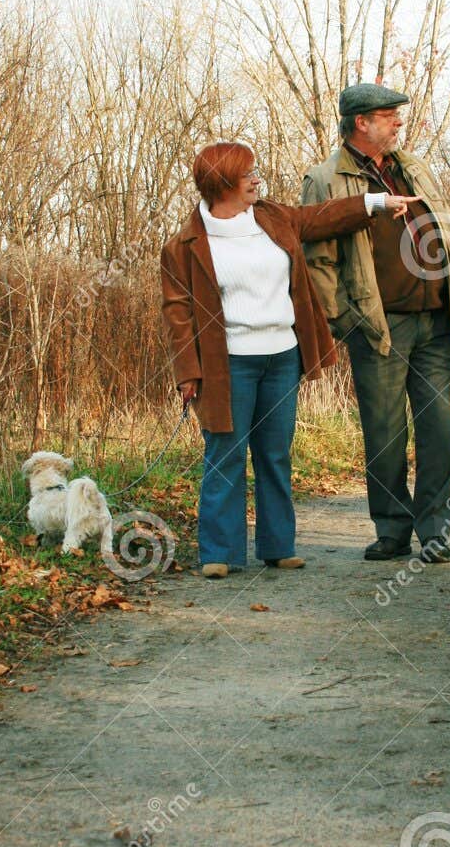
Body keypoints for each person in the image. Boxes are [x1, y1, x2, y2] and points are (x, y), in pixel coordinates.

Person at [160, 141, 418, 578]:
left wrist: (374, 202)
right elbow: (177, 314)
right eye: (248, 175)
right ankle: (219, 553)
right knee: (225, 454)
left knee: (275, 454)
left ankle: (278, 546)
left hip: (281, 358)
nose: (257, 180)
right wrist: (188, 373)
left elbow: (320, 218)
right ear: (223, 184)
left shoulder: (272, 218)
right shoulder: (184, 246)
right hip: (228, 366)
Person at [301, 83, 450, 563]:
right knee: (384, 434)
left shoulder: (412, 168)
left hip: (436, 323)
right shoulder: (326, 179)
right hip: (379, 327)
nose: (399, 123)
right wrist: (344, 319)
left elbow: (448, 225)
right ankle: (393, 530)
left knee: (439, 428)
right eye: (389, 116)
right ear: (362, 122)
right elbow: (317, 259)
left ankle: (436, 530)